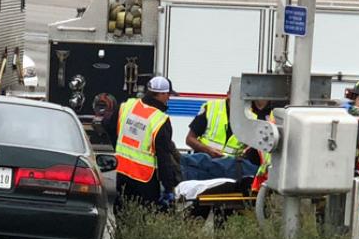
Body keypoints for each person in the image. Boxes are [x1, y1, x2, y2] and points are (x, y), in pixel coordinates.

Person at [105, 76, 182, 208]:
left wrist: (117, 147)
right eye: (168, 94)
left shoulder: (127, 106)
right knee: (144, 218)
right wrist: (169, 188)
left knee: (123, 214)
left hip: (123, 173)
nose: (169, 98)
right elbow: (164, 157)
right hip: (145, 180)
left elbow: (107, 124)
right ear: (161, 94)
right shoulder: (160, 120)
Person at [185, 91, 272, 160]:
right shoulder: (212, 108)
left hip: (229, 170)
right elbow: (189, 139)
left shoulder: (252, 118)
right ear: (228, 95)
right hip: (203, 163)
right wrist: (208, 150)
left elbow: (252, 151)